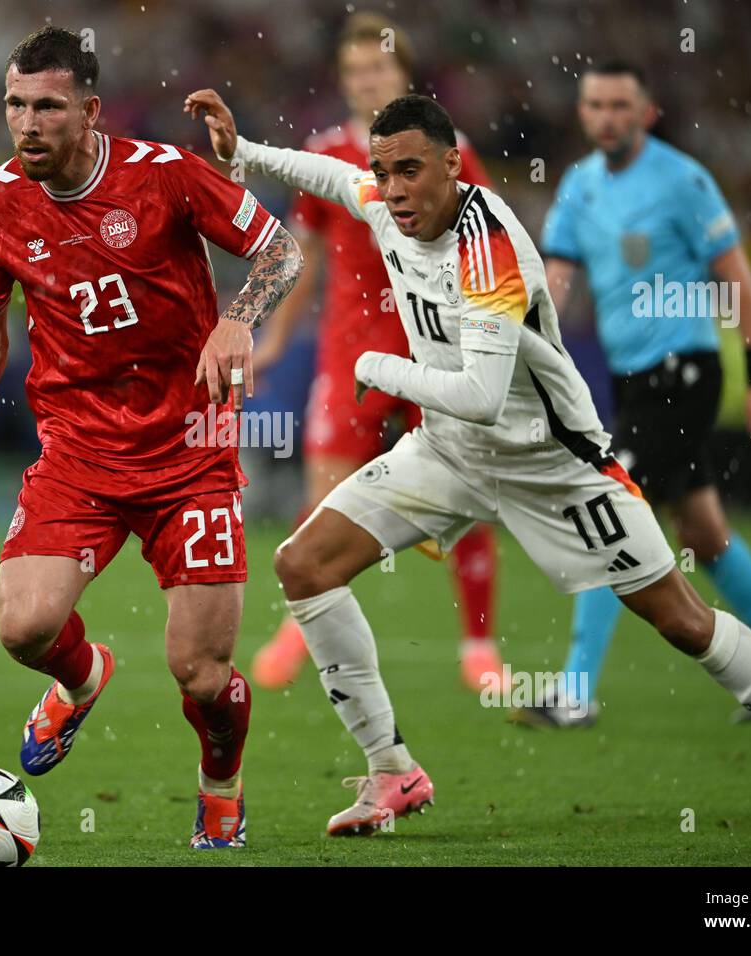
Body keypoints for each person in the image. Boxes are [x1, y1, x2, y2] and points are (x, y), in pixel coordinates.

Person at [184, 86, 751, 838]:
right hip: (450, 452)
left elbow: (482, 394)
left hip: (553, 466)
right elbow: (330, 177)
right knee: (303, 566)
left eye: (410, 172)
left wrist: (379, 369)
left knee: (683, 621)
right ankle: (391, 770)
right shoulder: (385, 200)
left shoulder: (489, 246)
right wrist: (245, 153)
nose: (392, 191)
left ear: (454, 166)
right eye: (383, 173)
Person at [0, 27, 303, 850]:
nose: (27, 123)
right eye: (15, 104)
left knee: (202, 674)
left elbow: (281, 251)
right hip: (79, 451)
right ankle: (82, 680)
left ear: (89, 110)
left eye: (47, 106)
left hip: (190, 448)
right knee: (22, 628)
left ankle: (219, 783)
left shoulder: (163, 176)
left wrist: (236, 319)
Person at [518, 60, 751, 728]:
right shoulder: (578, 187)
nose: (607, 116)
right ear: (582, 112)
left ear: (647, 112)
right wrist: (527, 347)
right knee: (703, 532)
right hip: (632, 380)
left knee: (608, 506)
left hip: (686, 372)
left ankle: (575, 689)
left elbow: (735, 274)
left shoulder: (683, 180)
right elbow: (557, 281)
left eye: (621, 104)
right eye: (596, 104)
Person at [247, 11, 504, 693]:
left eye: (379, 69)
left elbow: (485, 247)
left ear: (402, 76)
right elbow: (304, 254)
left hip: (436, 352)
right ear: (343, 80)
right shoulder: (325, 153)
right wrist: (271, 337)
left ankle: (479, 646)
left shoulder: (454, 153)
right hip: (350, 352)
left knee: (467, 494)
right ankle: (297, 625)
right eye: (356, 71)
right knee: (324, 499)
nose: (367, 81)